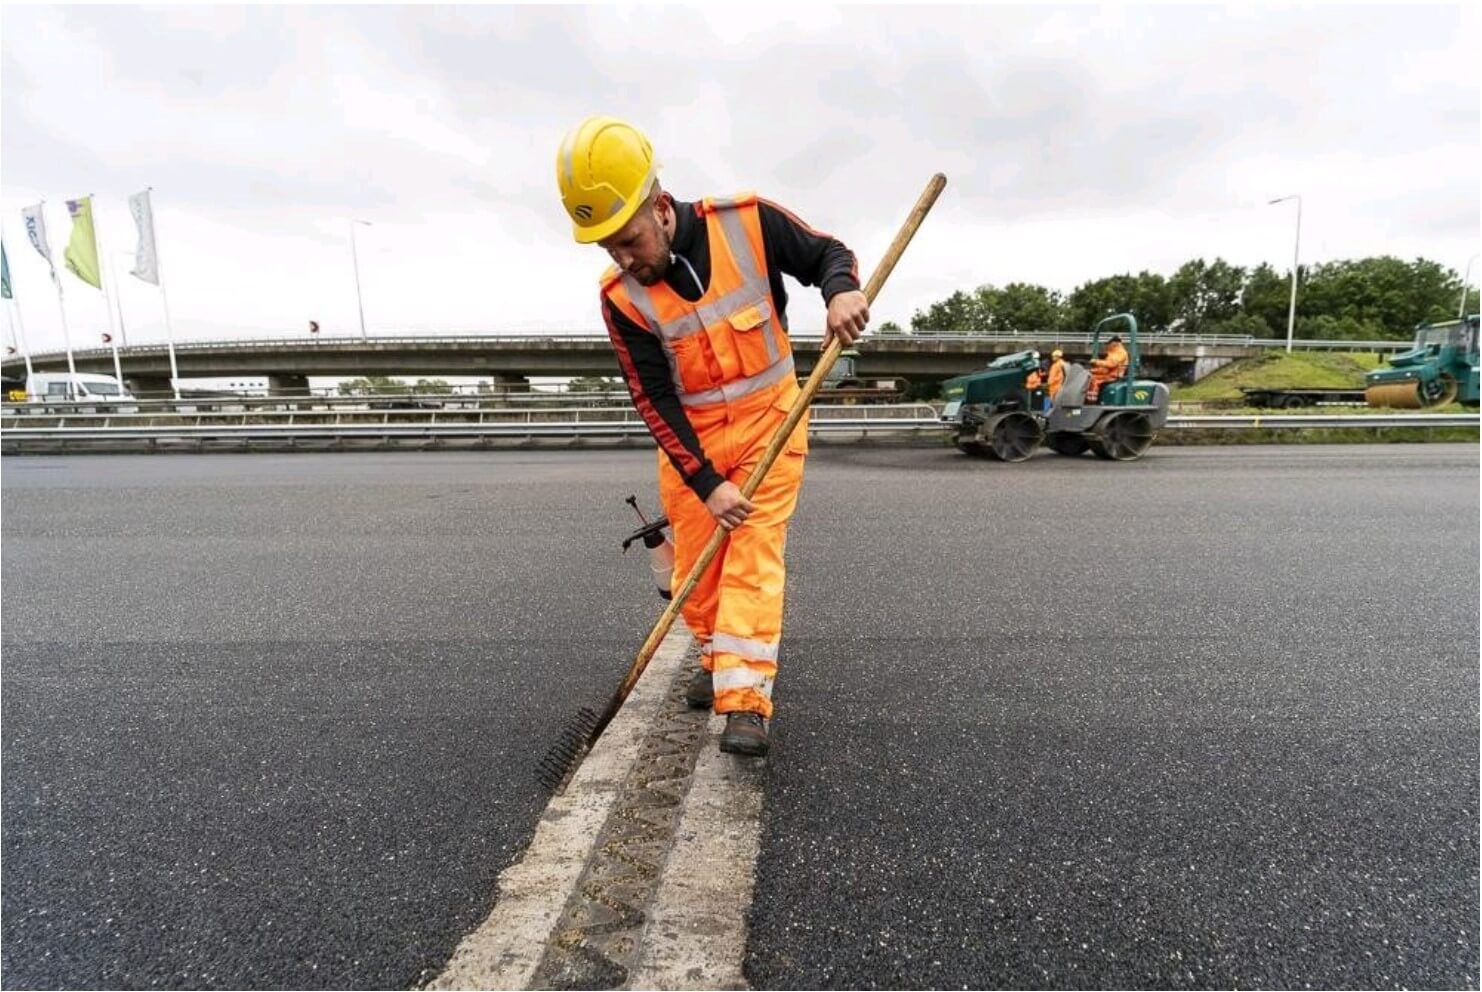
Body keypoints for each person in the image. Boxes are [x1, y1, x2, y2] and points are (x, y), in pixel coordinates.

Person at [556, 116, 868, 757]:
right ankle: (715, 654)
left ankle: (746, 701)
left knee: (753, 552)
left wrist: (841, 294)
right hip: (692, 443)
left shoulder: (748, 223)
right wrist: (703, 480)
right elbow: (652, 396)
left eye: (630, 240)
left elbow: (828, 254)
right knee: (698, 577)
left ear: (662, 209)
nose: (624, 257)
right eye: (608, 248)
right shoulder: (622, 299)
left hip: (769, 427)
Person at [1087, 334, 1129, 403]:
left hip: (1114, 376)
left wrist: (1096, 362)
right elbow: (1105, 368)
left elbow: (1111, 364)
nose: (1107, 345)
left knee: (1094, 380)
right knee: (1089, 377)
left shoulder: (1121, 352)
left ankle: (1092, 401)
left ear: (1114, 343)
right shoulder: (1112, 353)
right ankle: (1089, 399)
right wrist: (1092, 371)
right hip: (1109, 374)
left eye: (1108, 343)